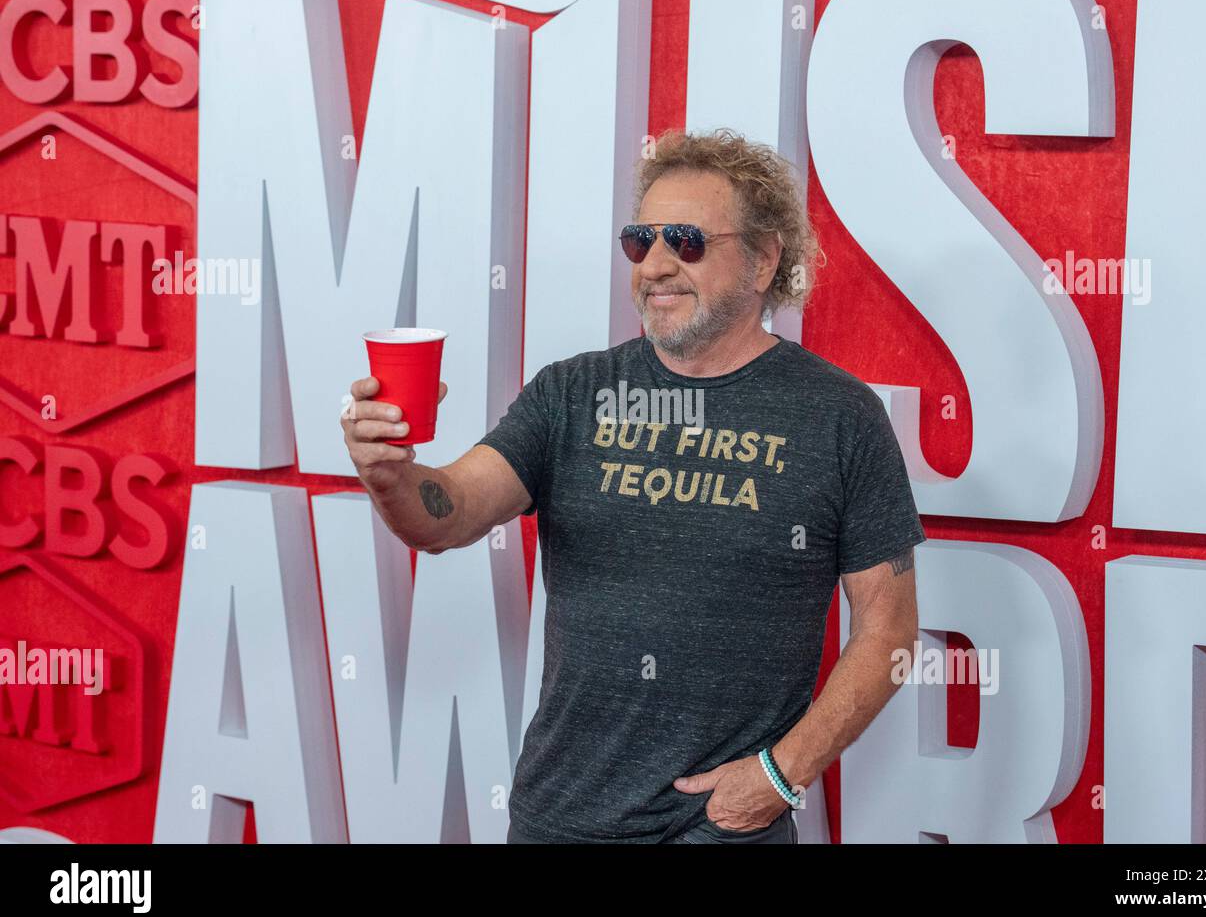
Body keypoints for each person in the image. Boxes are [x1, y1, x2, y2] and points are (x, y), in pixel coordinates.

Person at [341, 127, 925, 844]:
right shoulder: (572, 393)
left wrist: (779, 775)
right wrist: (391, 474)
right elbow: (446, 516)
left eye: (685, 241)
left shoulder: (840, 418)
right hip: (560, 820)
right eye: (638, 241)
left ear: (765, 259)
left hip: (722, 829)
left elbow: (889, 632)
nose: (653, 265)